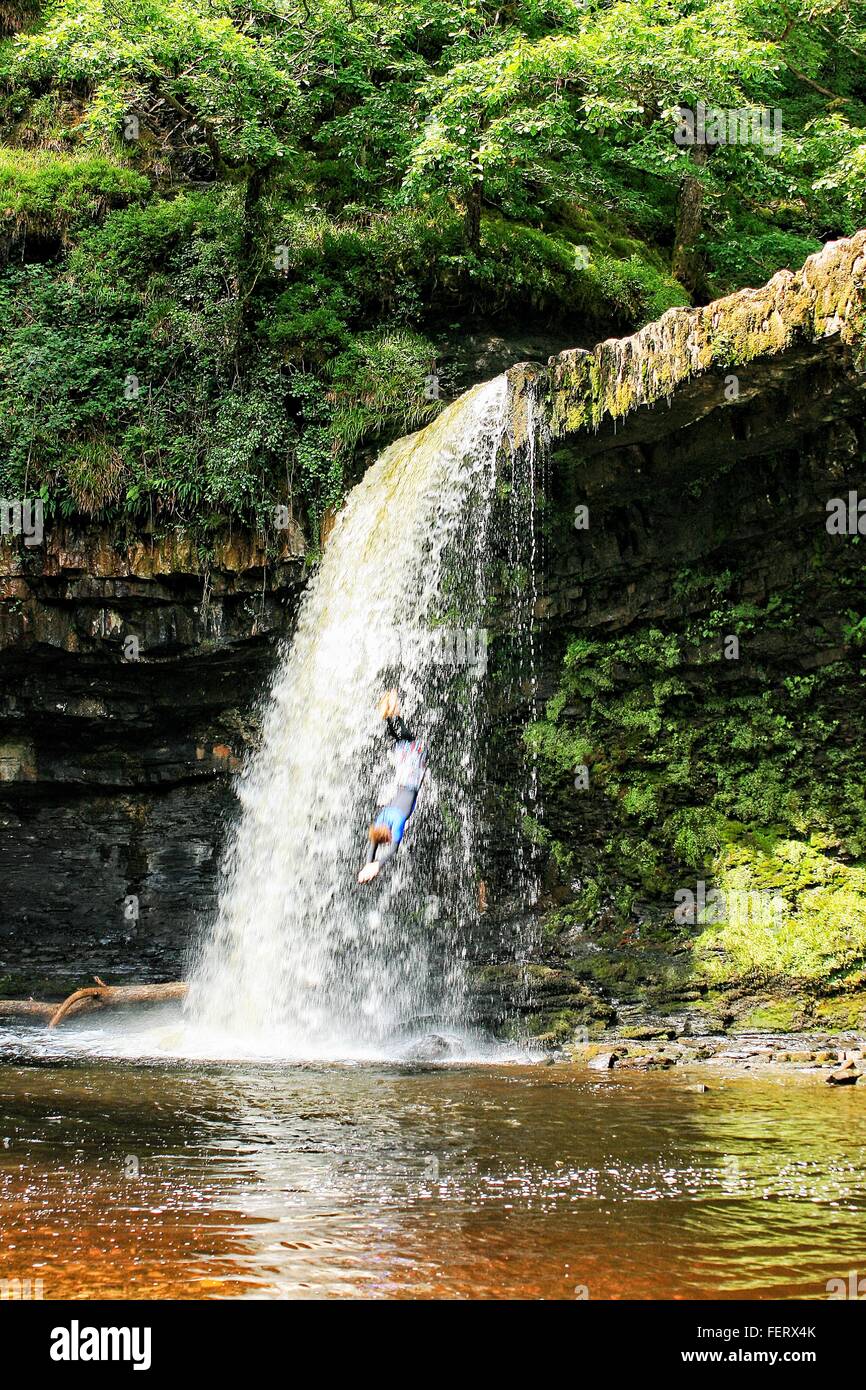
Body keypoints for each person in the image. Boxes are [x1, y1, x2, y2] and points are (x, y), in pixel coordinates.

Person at [358, 689, 427, 884]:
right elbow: (373, 842)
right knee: (403, 740)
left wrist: (376, 865)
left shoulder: (396, 820)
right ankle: (391, 715)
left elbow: (393, 848)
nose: (387, 840)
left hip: (411, 776)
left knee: (408, 741)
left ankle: (393, 713)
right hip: (404, 775)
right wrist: (368, 863)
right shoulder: (382, 818)